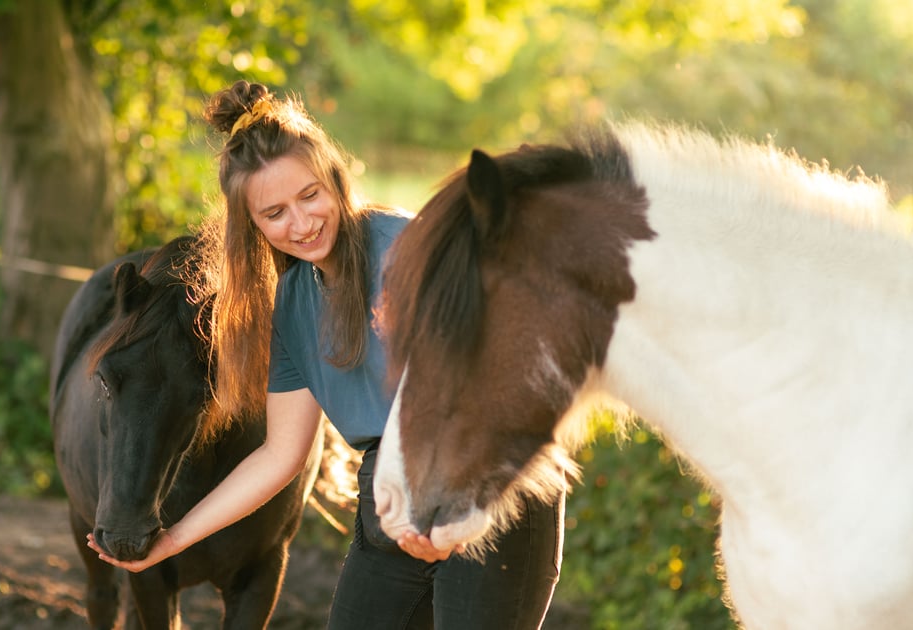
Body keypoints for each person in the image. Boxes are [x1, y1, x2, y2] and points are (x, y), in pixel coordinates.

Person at [87, 79, 565, 629]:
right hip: (388, 497)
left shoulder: (411, 252)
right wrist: (170, 542)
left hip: (489, 491)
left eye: (310, 195)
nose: (301, 222)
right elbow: (279, 456)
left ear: (336, 182)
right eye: (275, 213)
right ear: (252, 226)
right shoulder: (290, 303)